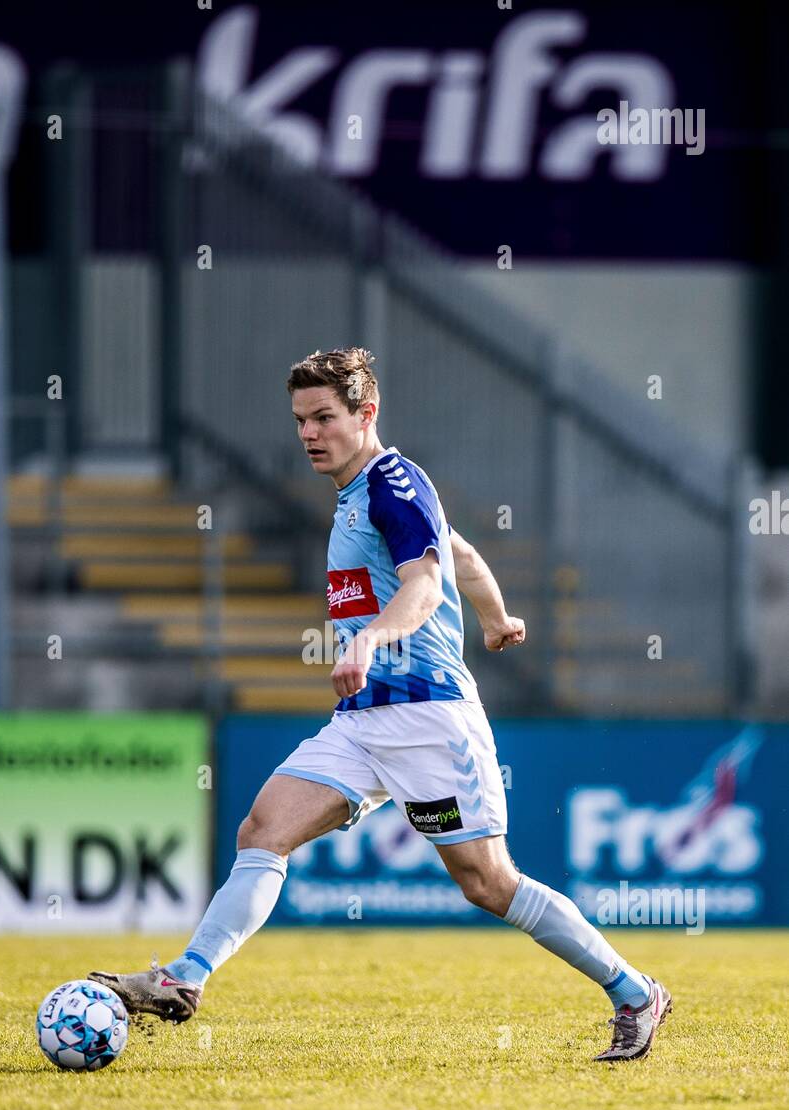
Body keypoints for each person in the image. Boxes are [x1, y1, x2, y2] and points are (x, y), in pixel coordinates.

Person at [91, 347, 672, 1062]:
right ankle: (185, 980)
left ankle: (635, 992)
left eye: (324, 417)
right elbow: (455, 552)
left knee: (489, 884)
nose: (309, 433)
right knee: (262, 829)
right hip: (364, 724)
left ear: (367, 414)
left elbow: (425, 584)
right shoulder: (366, 491)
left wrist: (369, 642)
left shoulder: (393, 483)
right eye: (301, 419)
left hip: (430, 717)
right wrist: (495, 617)